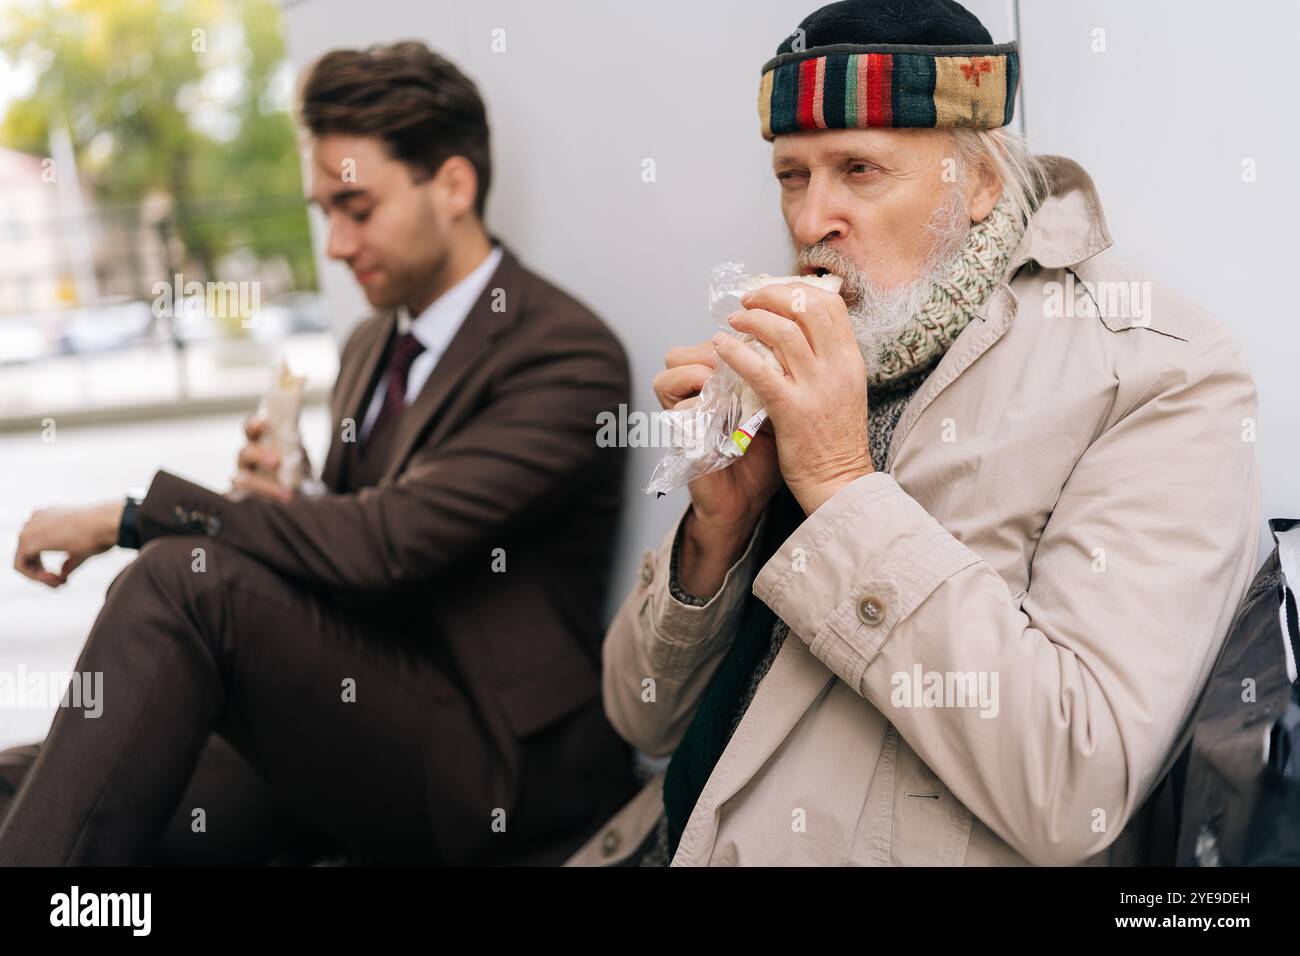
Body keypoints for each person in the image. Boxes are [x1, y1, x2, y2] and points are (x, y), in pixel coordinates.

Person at [570, 0, 1261, 866]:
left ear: (977, 183)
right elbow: (644, 714)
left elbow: (1076, 786)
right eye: (792, 174)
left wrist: (837, 481)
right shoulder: (809, 354)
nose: (809, 219)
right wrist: (720, 532)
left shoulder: (1158, 370)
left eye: (859, 168)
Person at [2, 41, 637, 865]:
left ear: (452, 184)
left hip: (495, 770)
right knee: (30, 783)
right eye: (323, 212)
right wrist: (293, 499)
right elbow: (347, 548)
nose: (335, 244)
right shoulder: (373, 344)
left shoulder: (566, 353)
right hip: (351, 719)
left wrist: (129, 517)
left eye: (357, 207)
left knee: (176, 576)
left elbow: (387, 542)